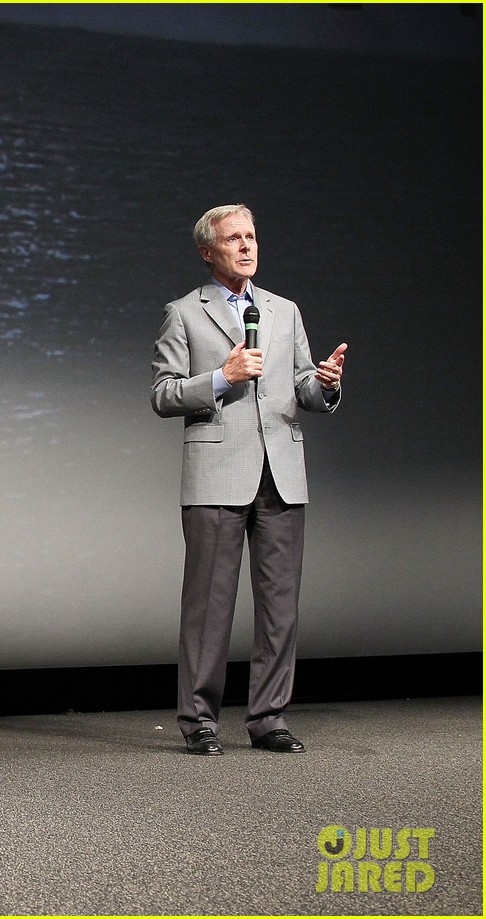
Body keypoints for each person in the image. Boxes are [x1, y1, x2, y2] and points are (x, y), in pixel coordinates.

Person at [151, 204, 347, 756]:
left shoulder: (284, 311)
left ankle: (268, 718)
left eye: (252, 236)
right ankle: (199, 719)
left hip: (280, 473)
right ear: (208, 251)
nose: (246, 246)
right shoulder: (185, 313)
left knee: (280, 605)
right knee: (208, 606)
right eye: (234, 238)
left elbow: (304, 386)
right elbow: (163, 394)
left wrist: (325, 384)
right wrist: (221, 377)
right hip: (217, 473)